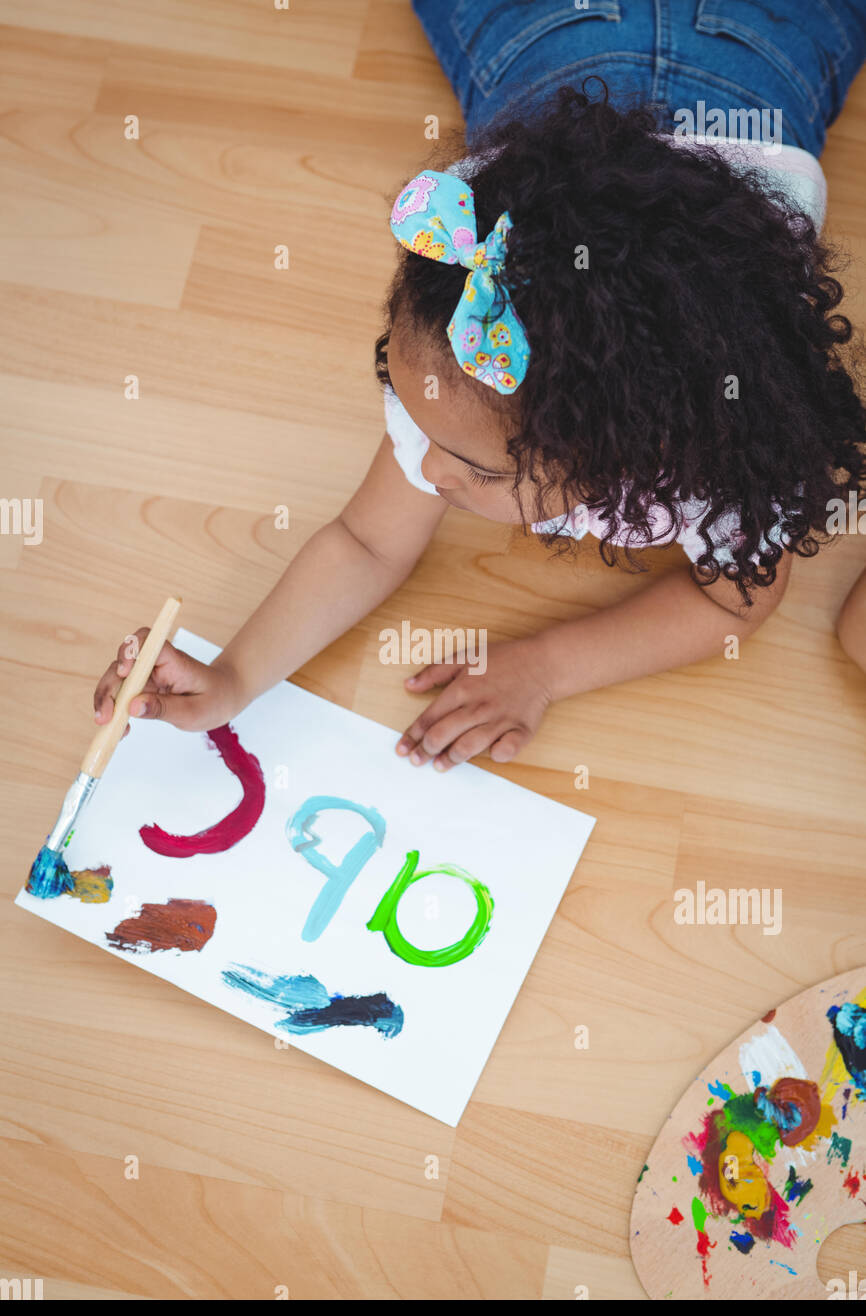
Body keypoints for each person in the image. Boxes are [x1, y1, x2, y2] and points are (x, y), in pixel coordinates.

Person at [93, 3, 866, 772]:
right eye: (411, 411)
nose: (427, 472)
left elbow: (734, 601)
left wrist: (547, 666)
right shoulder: (460, 350)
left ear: (629, 455)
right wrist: (232, 678)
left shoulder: (713, 448)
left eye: (479, 470)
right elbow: (363, 542)